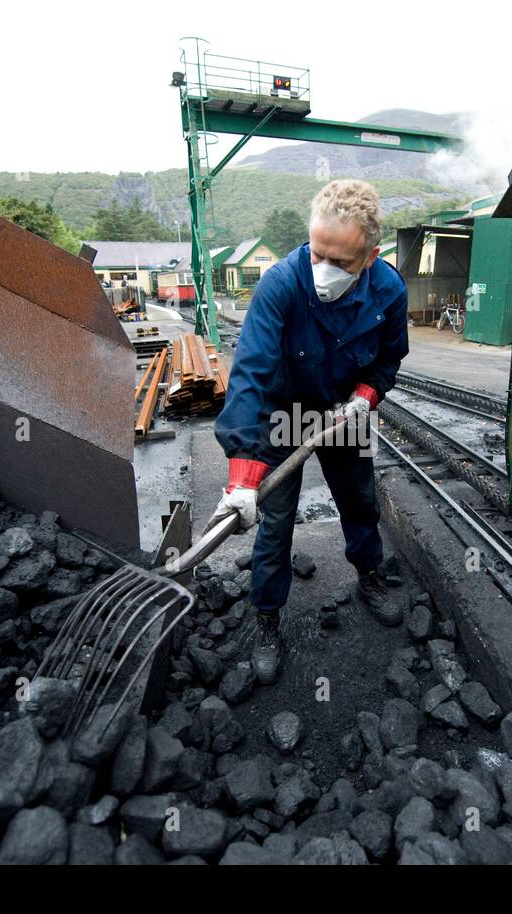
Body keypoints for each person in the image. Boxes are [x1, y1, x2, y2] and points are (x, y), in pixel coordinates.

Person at [211, 179, 409, 684]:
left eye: (341, 262)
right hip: (283, 413)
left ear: (370, 256)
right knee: (273, 522)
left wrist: (366, 398)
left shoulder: (389, 290)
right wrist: (242, 474)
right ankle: (267, 616)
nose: (325, 269)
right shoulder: (281, 284)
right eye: (317, 252)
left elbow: (388, 359)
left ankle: (369, 576)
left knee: (360, 502)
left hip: (342, 414)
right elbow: (250, 372)